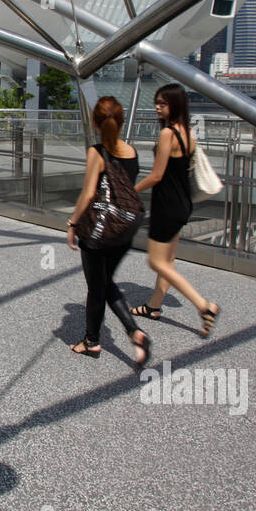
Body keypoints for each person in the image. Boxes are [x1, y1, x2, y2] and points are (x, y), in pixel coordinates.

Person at [66, 96, 150, 365]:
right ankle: (133, 332)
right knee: (105, 282)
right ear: (122, 120)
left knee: (96, 287)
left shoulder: (97, 152)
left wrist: (72, 224)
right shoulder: (132, 152)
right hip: (124, 229)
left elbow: (89, 193)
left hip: (98, 231)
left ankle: (92, 341)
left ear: (95, 122)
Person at [131, 83, 220, 337]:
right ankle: (153, 306)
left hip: (166, 206)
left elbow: (157, 175)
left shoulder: (167, 134)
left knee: (156, 262)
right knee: (168, 260)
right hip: (183, 205)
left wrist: (130, 191)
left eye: (163, 103)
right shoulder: (187, 133)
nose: (157, 107)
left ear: (175, 104)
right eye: (156, 102)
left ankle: (204, 306)